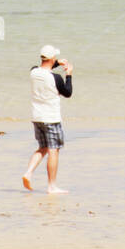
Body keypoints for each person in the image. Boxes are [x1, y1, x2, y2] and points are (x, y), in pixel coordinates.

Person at [21, 44, 73, 194]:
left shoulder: (33, 72)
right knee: (53, 150)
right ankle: (51, 186)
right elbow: (68, 92)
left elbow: (42, 69)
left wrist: (57, 63)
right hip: (51, 118)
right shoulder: (55, 78)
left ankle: (28, 172)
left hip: (37, 117)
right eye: (54, 58)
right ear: (51, 58)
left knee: (42, 148)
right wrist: (69, 74)